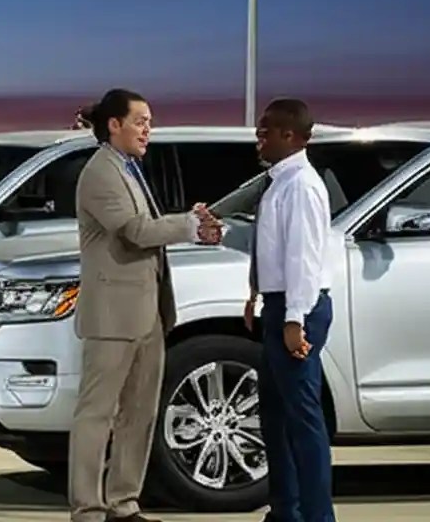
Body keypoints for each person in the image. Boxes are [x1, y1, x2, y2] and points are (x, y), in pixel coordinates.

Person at [68, 88, 223, 522]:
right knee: (97, 415)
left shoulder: (131, 169)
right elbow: (135, 230)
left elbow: (149, 228)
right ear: (113, 125)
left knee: (139, 414)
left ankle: (123, 504)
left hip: (148, 313)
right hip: (113, 317)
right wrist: (189, 226)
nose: (147, 130)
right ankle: (88, 508)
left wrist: (188, 221)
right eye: (140, 121)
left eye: (150, 122)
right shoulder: (100, 172)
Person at [244, 98, 336, 522]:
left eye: (265, 131)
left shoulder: (301, 184)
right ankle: (286, 513)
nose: (258, 137)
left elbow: (304, 258)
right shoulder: (279, 181)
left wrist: (294, 319)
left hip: (298, 306)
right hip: (279, 303)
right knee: (276, 416)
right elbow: (274, 250)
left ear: (289, 135)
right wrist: (256, 295)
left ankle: (316, 517)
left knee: (302, 421)